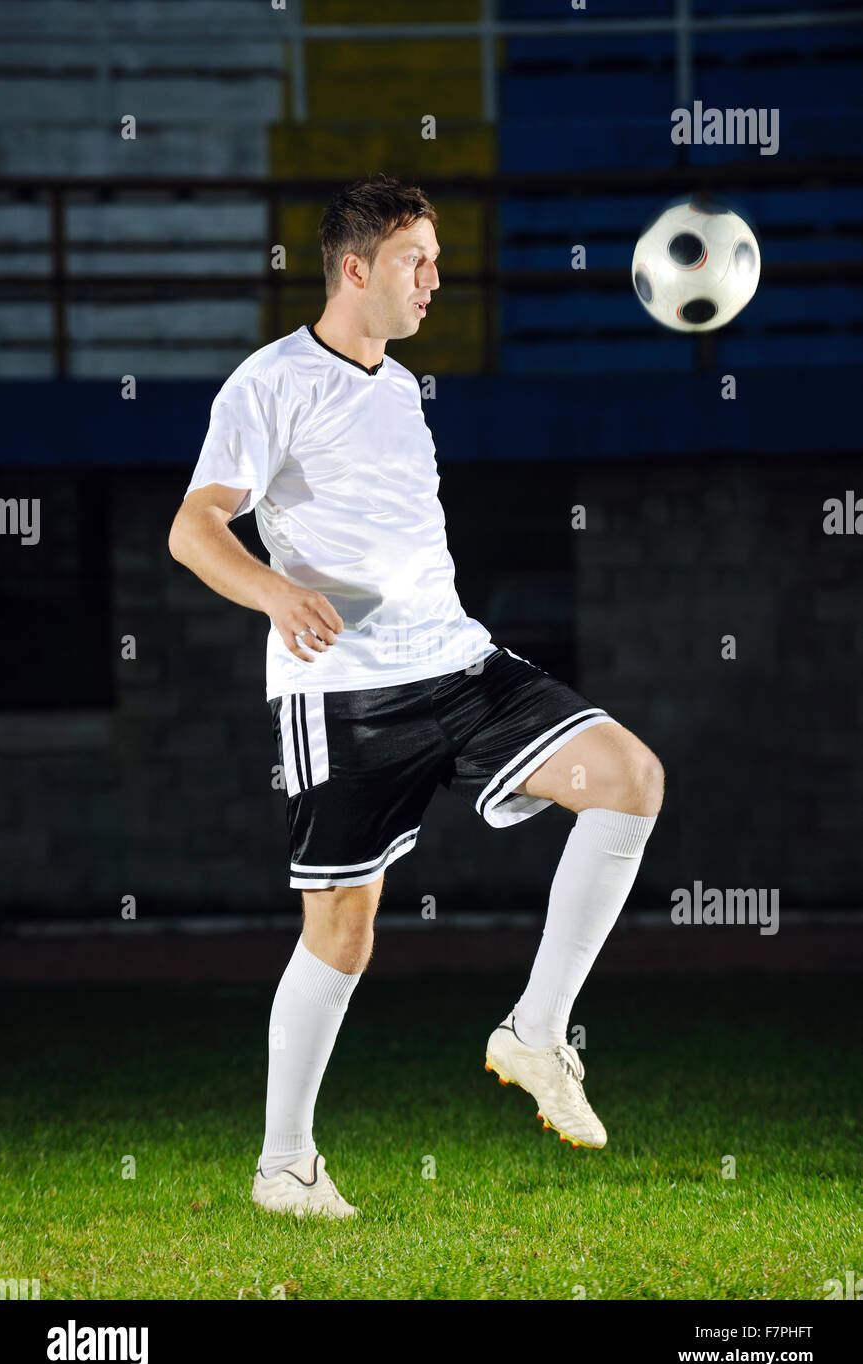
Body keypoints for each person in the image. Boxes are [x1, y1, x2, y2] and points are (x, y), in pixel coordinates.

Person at [168, 174, 664, 1220]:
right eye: (415, 261)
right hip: (343, 696)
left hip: (459, 669)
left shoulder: (400, 387)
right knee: (341, 933)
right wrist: (273, 591)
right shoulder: (268, 384)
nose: (435, 279)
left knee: (626, 777)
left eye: (436, 260)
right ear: (355, 268)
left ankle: (535, 1032)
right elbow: (195, 526)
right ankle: (285, 1165)